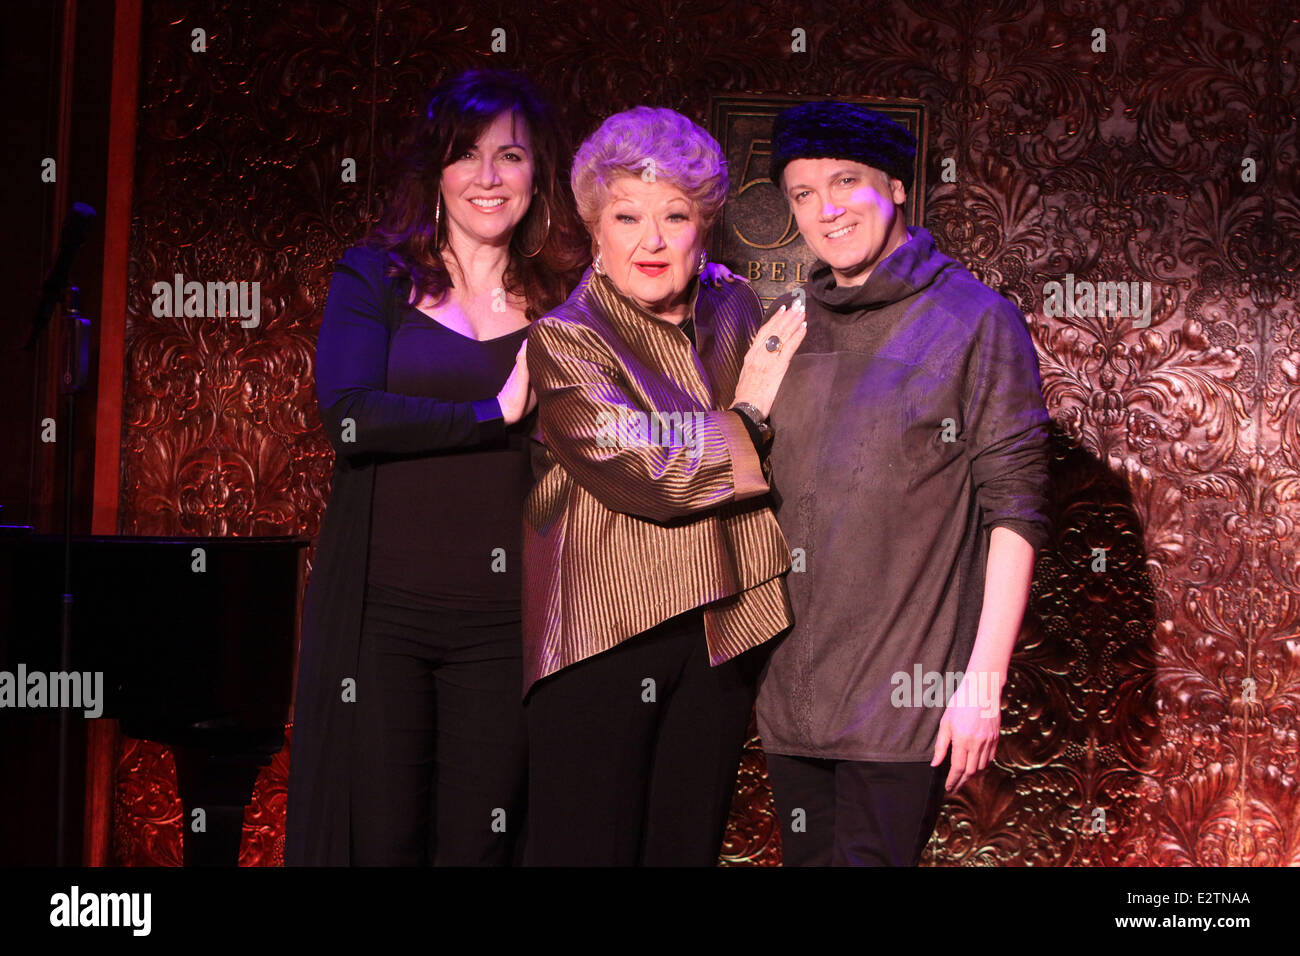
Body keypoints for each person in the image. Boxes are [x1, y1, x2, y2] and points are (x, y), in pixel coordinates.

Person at [284, 68, 589, 865]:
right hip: (382, 621)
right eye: (466, 155)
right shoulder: (375, 276)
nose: (488, 178)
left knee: (479, 847)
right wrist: (493, 413)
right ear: (436, 171)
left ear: (538, 174)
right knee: (379, 841)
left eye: (511, 156)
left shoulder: (566, 298)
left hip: (506, 623)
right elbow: (349, 414)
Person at [754, 101, 1052, 866]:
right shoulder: (791, 325)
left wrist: (981, 683)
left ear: (895, 187)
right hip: (792, 693)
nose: (826, 209)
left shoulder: (974, 320)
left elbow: (1015, 510)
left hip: (901, 695)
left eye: (845, 182)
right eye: (803, 193)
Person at [521, 105, 808, 866]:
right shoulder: (567, 337)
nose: (651, 240)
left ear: (703, 224)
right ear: (594, 227)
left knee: (686, 849)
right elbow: (650, 468)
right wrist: (748, 416)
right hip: (604, 636)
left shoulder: (736, 303)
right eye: (627, 215)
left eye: (674, 215)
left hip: (720, 630)